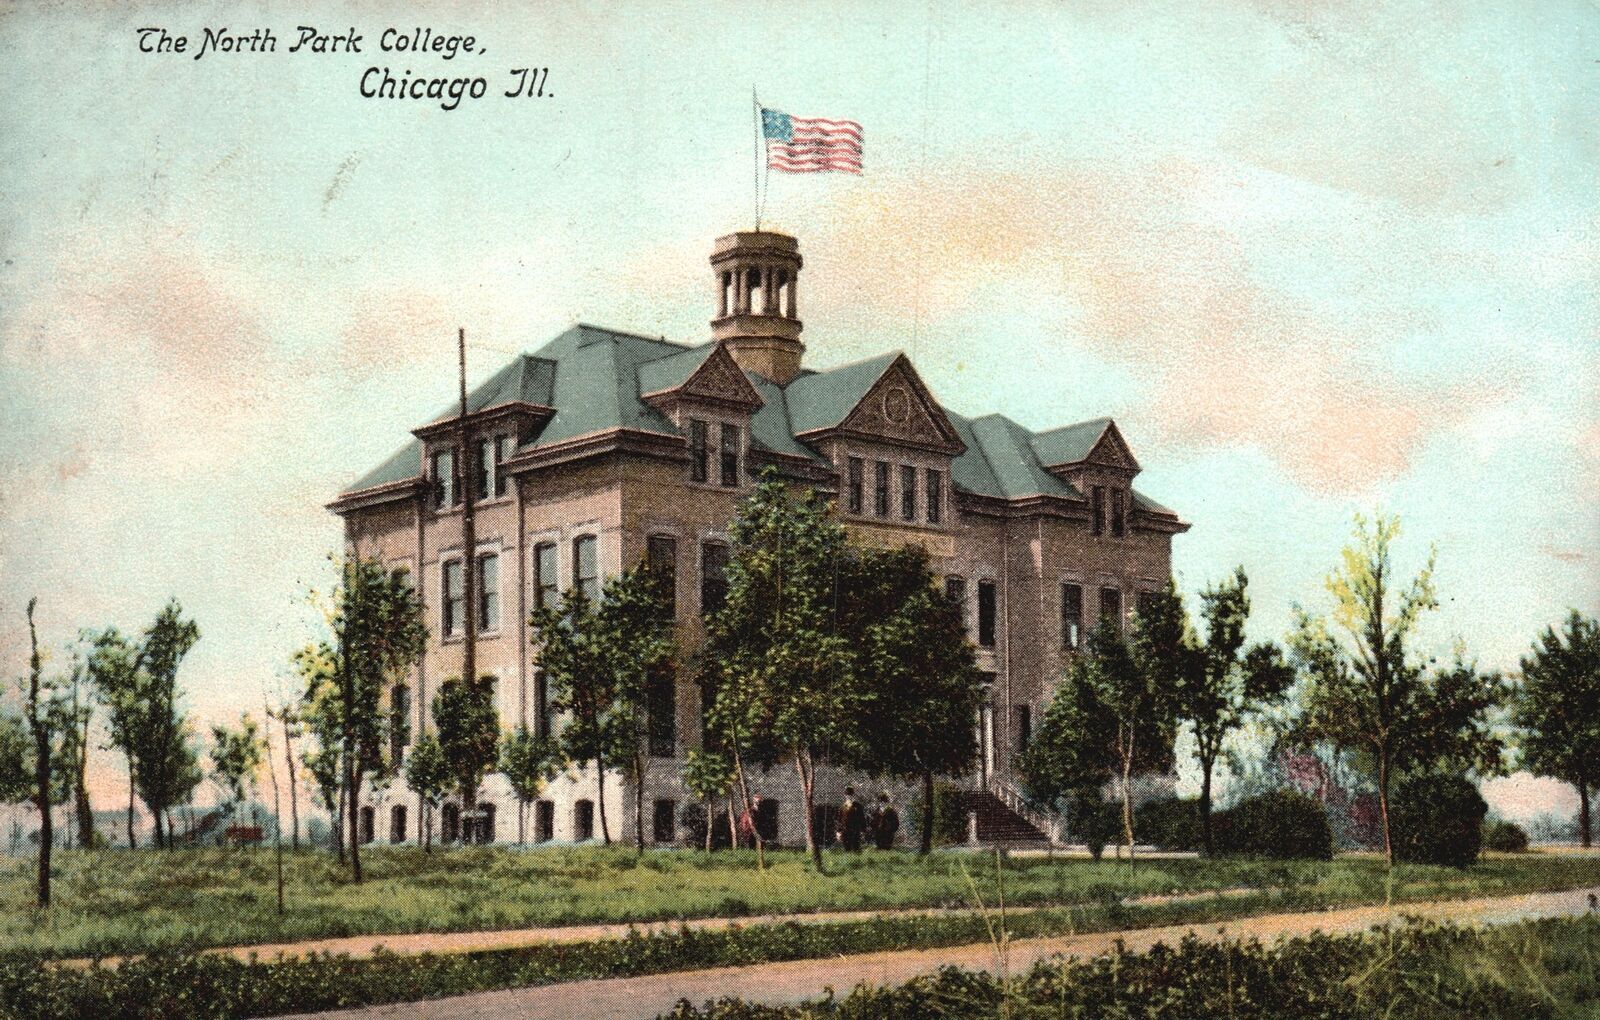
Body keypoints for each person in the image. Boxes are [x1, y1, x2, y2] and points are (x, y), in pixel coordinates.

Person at [838, 787, 866, 852]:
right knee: (847, 850)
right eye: (847, 795)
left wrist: (863, 831)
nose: (849, 796)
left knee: (856, 849)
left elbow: (862, 819)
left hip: (855, 831)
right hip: (845, 831)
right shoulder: (842, 807)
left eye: (850, 795)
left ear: (853, 795)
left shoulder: (858, 806)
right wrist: (839, 831)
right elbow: (839, 820)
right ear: (845, 796)